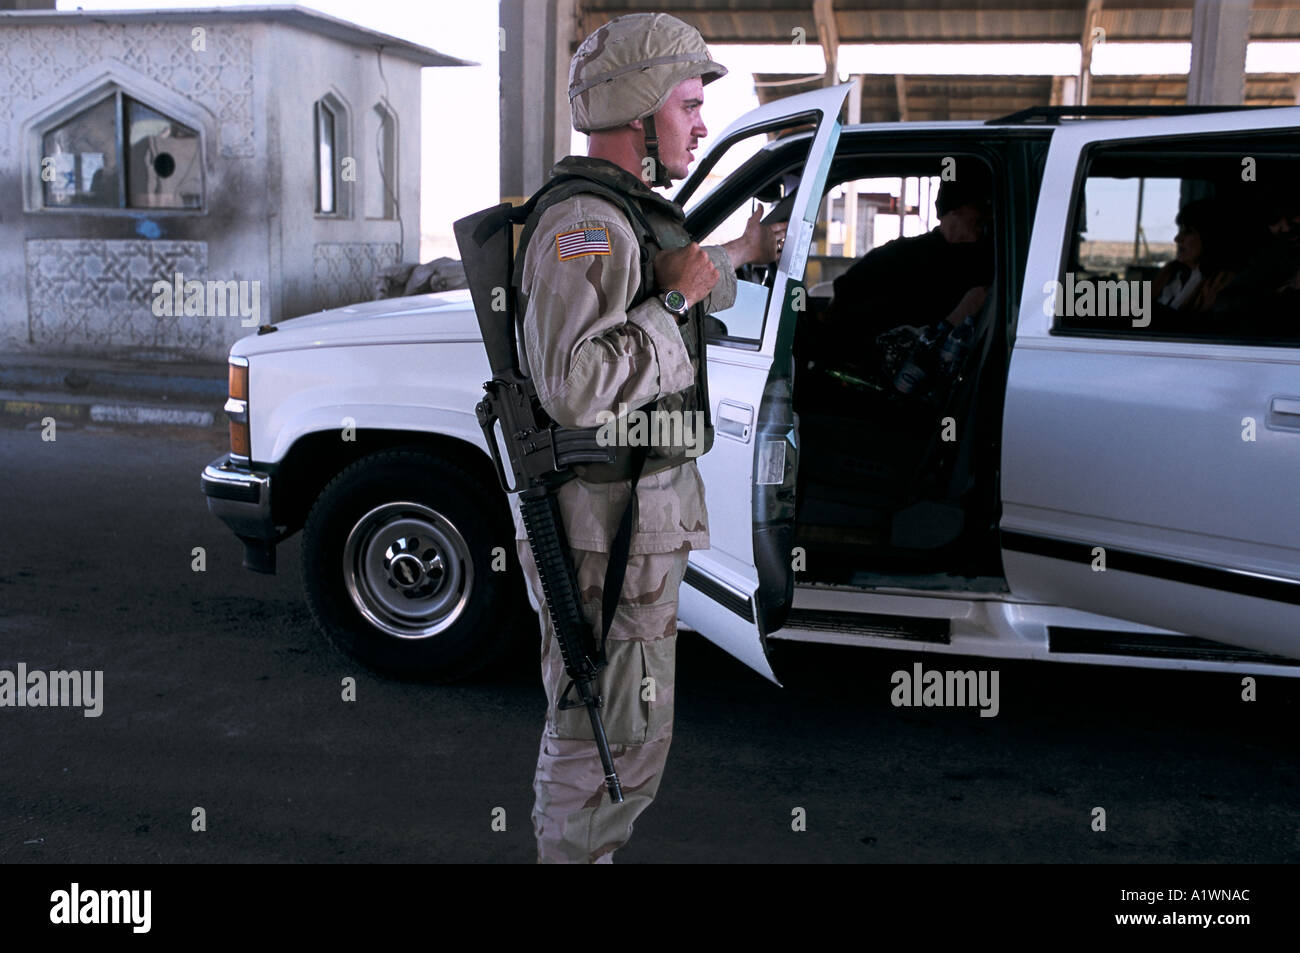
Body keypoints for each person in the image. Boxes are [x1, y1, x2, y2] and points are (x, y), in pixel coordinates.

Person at [512, 12, 785, 864]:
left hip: (630, 530)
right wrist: (672, 302)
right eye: (691, 104)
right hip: (606, 534)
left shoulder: (630, 215)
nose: (702, 124)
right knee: (604, 737)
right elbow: (573, 385)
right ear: (638, 111)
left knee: (623, 732)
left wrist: (735, 252)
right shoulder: (582, 225)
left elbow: (672, 278)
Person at [821, 168, 995, 355]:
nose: (988, 214)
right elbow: (845, 295)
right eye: (981, 205)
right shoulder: (900, 255)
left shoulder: (992, 260)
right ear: (956, 208)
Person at [1152, 198, 1238, 315]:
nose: (1177, 239)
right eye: (1180, 230)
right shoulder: (1169, 273)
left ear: (1209, 237)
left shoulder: (1221, 282)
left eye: (1188, 232)